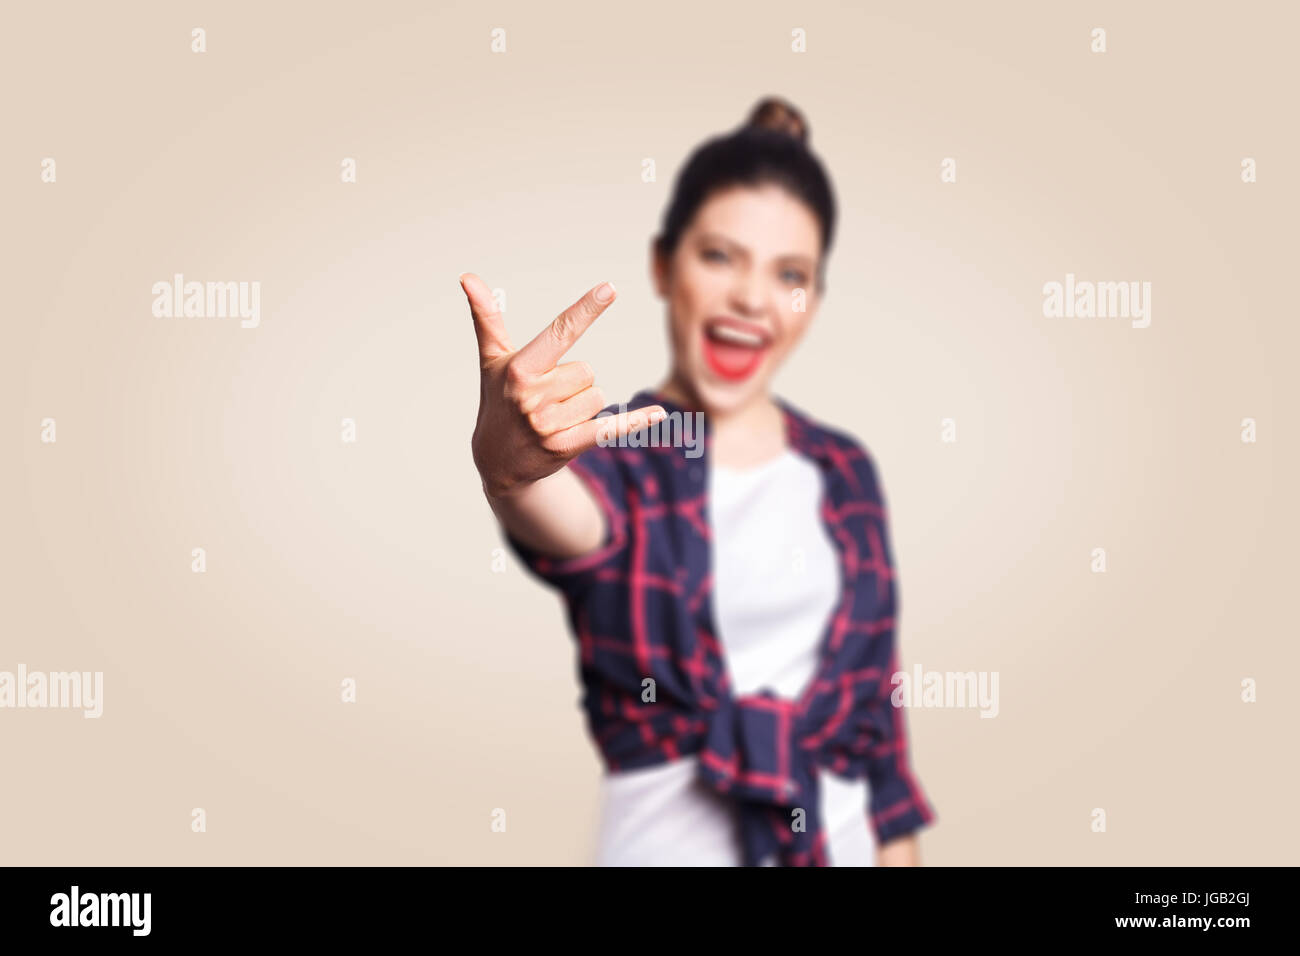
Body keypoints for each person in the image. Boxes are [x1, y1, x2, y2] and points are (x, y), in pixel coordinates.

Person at [461, 96, 936, 866]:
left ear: (812, 301)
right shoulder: (615, 452)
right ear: (662, 264)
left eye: (790, 274)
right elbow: (564, 518)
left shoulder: (846, 474)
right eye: (720, 256)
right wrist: (509, 464)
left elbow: (881, 756)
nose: (752, 297)